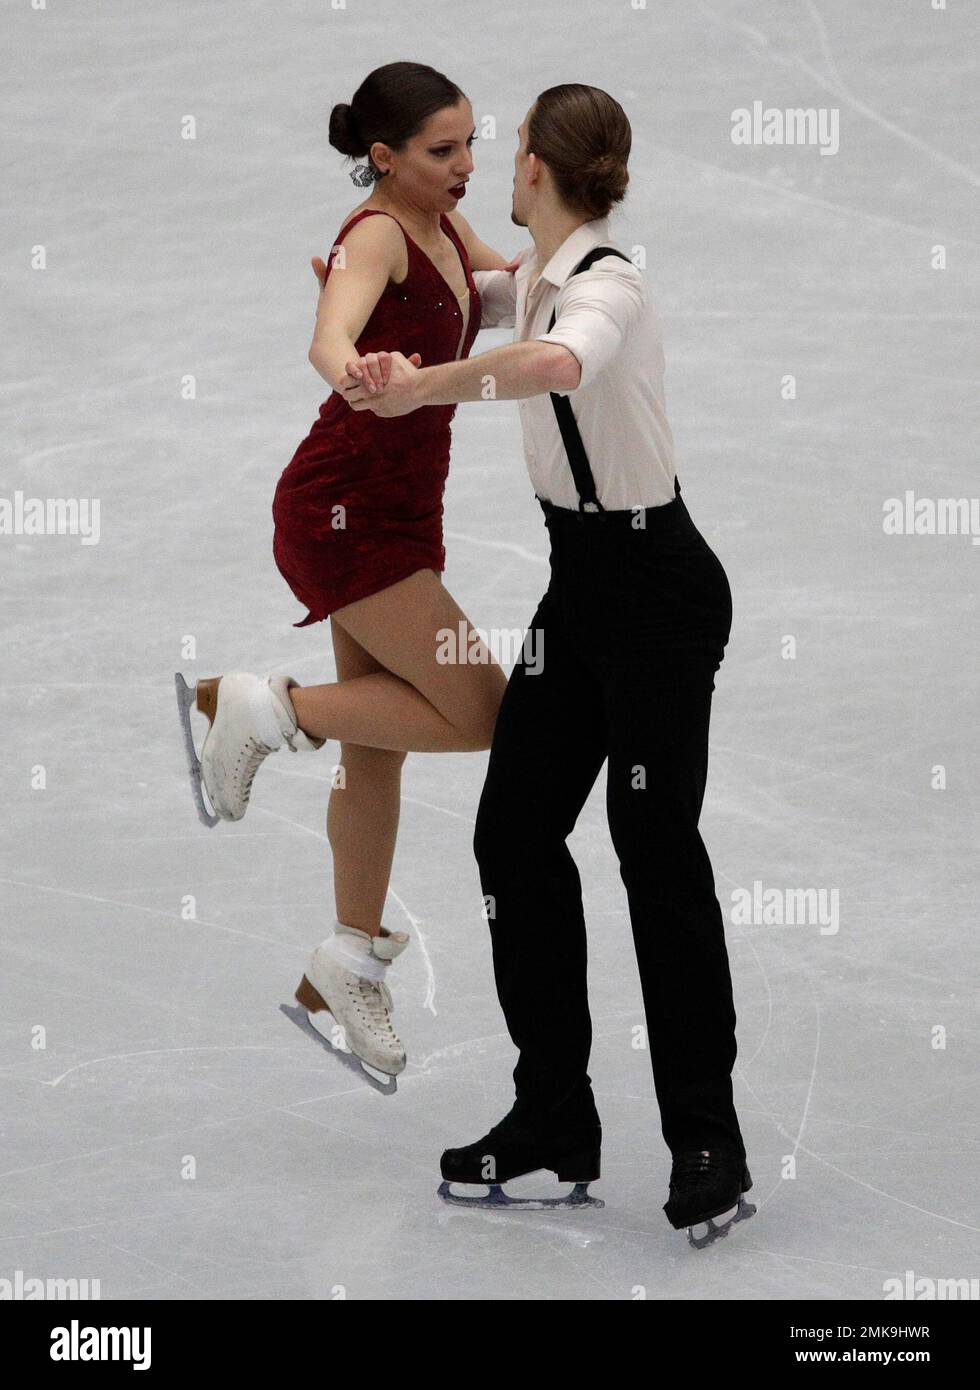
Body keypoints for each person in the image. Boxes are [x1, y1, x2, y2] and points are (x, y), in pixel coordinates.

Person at [341, 84, 754, 1242]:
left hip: (659, 598)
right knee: (512, 831)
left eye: (506, 147)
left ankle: (706, 1141)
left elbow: (557, 367)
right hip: (579, 591)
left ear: (537, 171)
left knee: (650, 849)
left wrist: (423, 386)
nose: (494, 164)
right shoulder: (525, 278)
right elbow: (439, 281)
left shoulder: (605, 284)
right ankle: (550, 1116)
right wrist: (355, 309)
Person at [175, 62, 538, 1086]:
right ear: (382, 157)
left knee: (377, 743)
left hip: (402, 510)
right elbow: (328, 339)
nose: (464, 165)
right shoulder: (379, 233)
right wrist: (363, 375)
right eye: (440, 150)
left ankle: (346, 956)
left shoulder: (443, 223)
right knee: (479, 710)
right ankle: (259, 704)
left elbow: (498, 294)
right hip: (341, 513)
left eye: (471, 144)